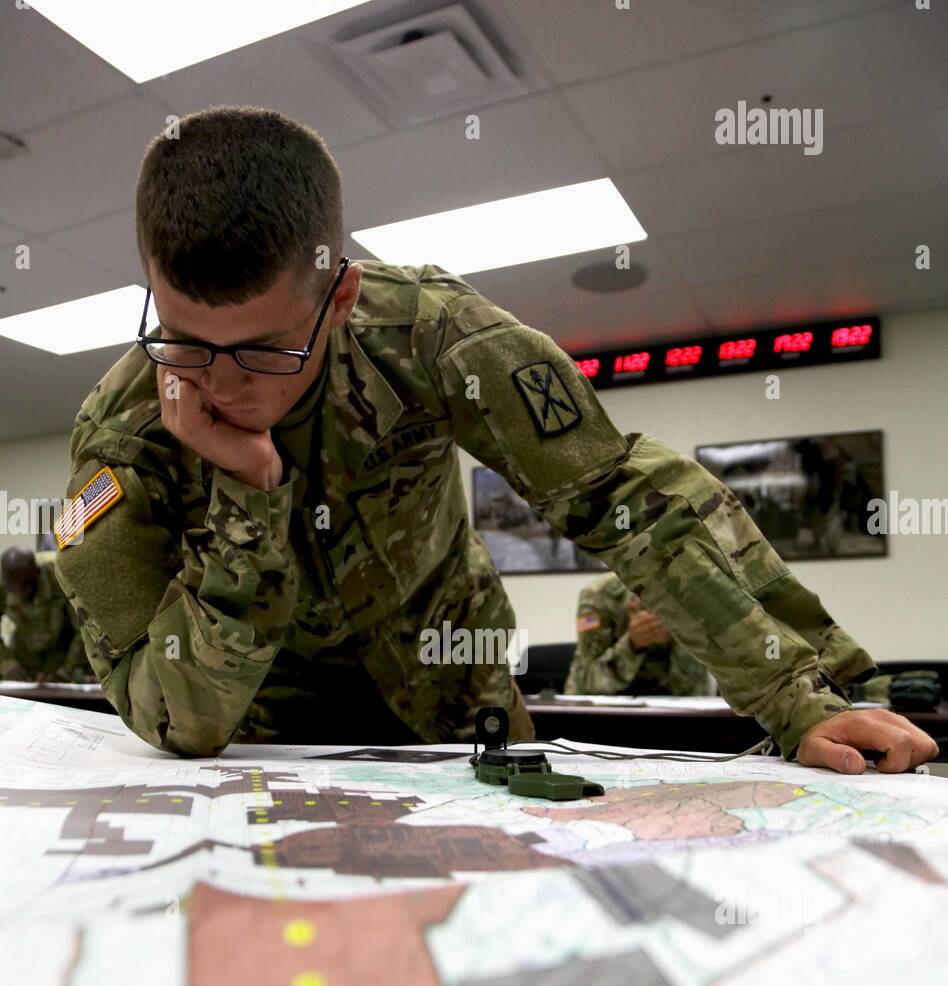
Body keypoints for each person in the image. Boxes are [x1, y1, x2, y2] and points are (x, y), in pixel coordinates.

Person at [55, 106, 937, 775]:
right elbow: (176, 719)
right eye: (183, 340)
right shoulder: (121, 440)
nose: (221, 383)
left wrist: (793, 698)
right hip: (267, 737)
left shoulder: (433, 337)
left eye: (265, 347)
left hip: (457, 692)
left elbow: (622, 499)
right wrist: (249, 498)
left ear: (342, 297)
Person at [566, 575, 709, 697]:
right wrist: (632, 645)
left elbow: (693, 687)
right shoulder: (597, 597)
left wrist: (680, 637)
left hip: (673, 708)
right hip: (602, 710)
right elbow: (589, 681)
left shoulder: (691, 597)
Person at [0, 547, 93, 682]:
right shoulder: (5, 584)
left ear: (36, 573)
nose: (17, 593)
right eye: (12, 588)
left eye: (24, 586)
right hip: (24, 657)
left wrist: (66, 671)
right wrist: (6, 663)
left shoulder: (60, 578)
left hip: (63, 656)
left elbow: (84, 630)